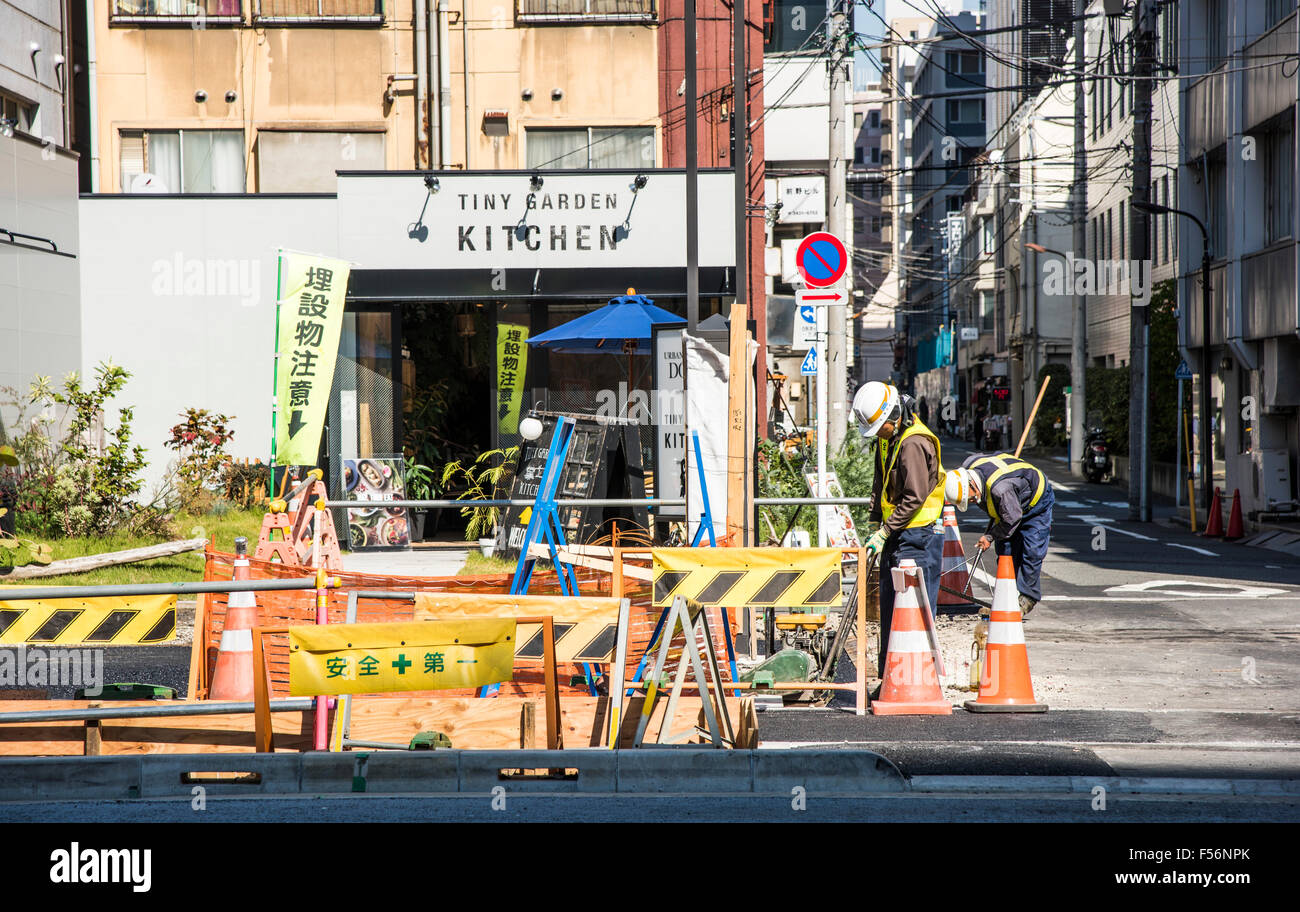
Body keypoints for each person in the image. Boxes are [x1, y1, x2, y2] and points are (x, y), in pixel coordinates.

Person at [852, 381, 947, 682]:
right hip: (898, 533)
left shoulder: (913, 443)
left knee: (913, 613)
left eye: (880, 427)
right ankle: (890, 680)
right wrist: (874, 521)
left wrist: (884, 531)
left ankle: (917, 680)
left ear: (894, 418)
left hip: (918, 537)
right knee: (890, 610)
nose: (878, 433)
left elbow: (914, 496)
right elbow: (881, 480)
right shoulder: (888, 437)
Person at [944, 452, 1055, 616]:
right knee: (1005, 551)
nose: (974, 502)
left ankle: (1027, 598)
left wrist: (989, 536)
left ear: (973, 485)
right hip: (1011, 499)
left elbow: (1011, 519)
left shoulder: (1000, 490)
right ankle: (1006, 598)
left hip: (1036, 503)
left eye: (972, 499)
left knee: (1031, 550)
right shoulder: (969, 466)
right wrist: (992, 534)